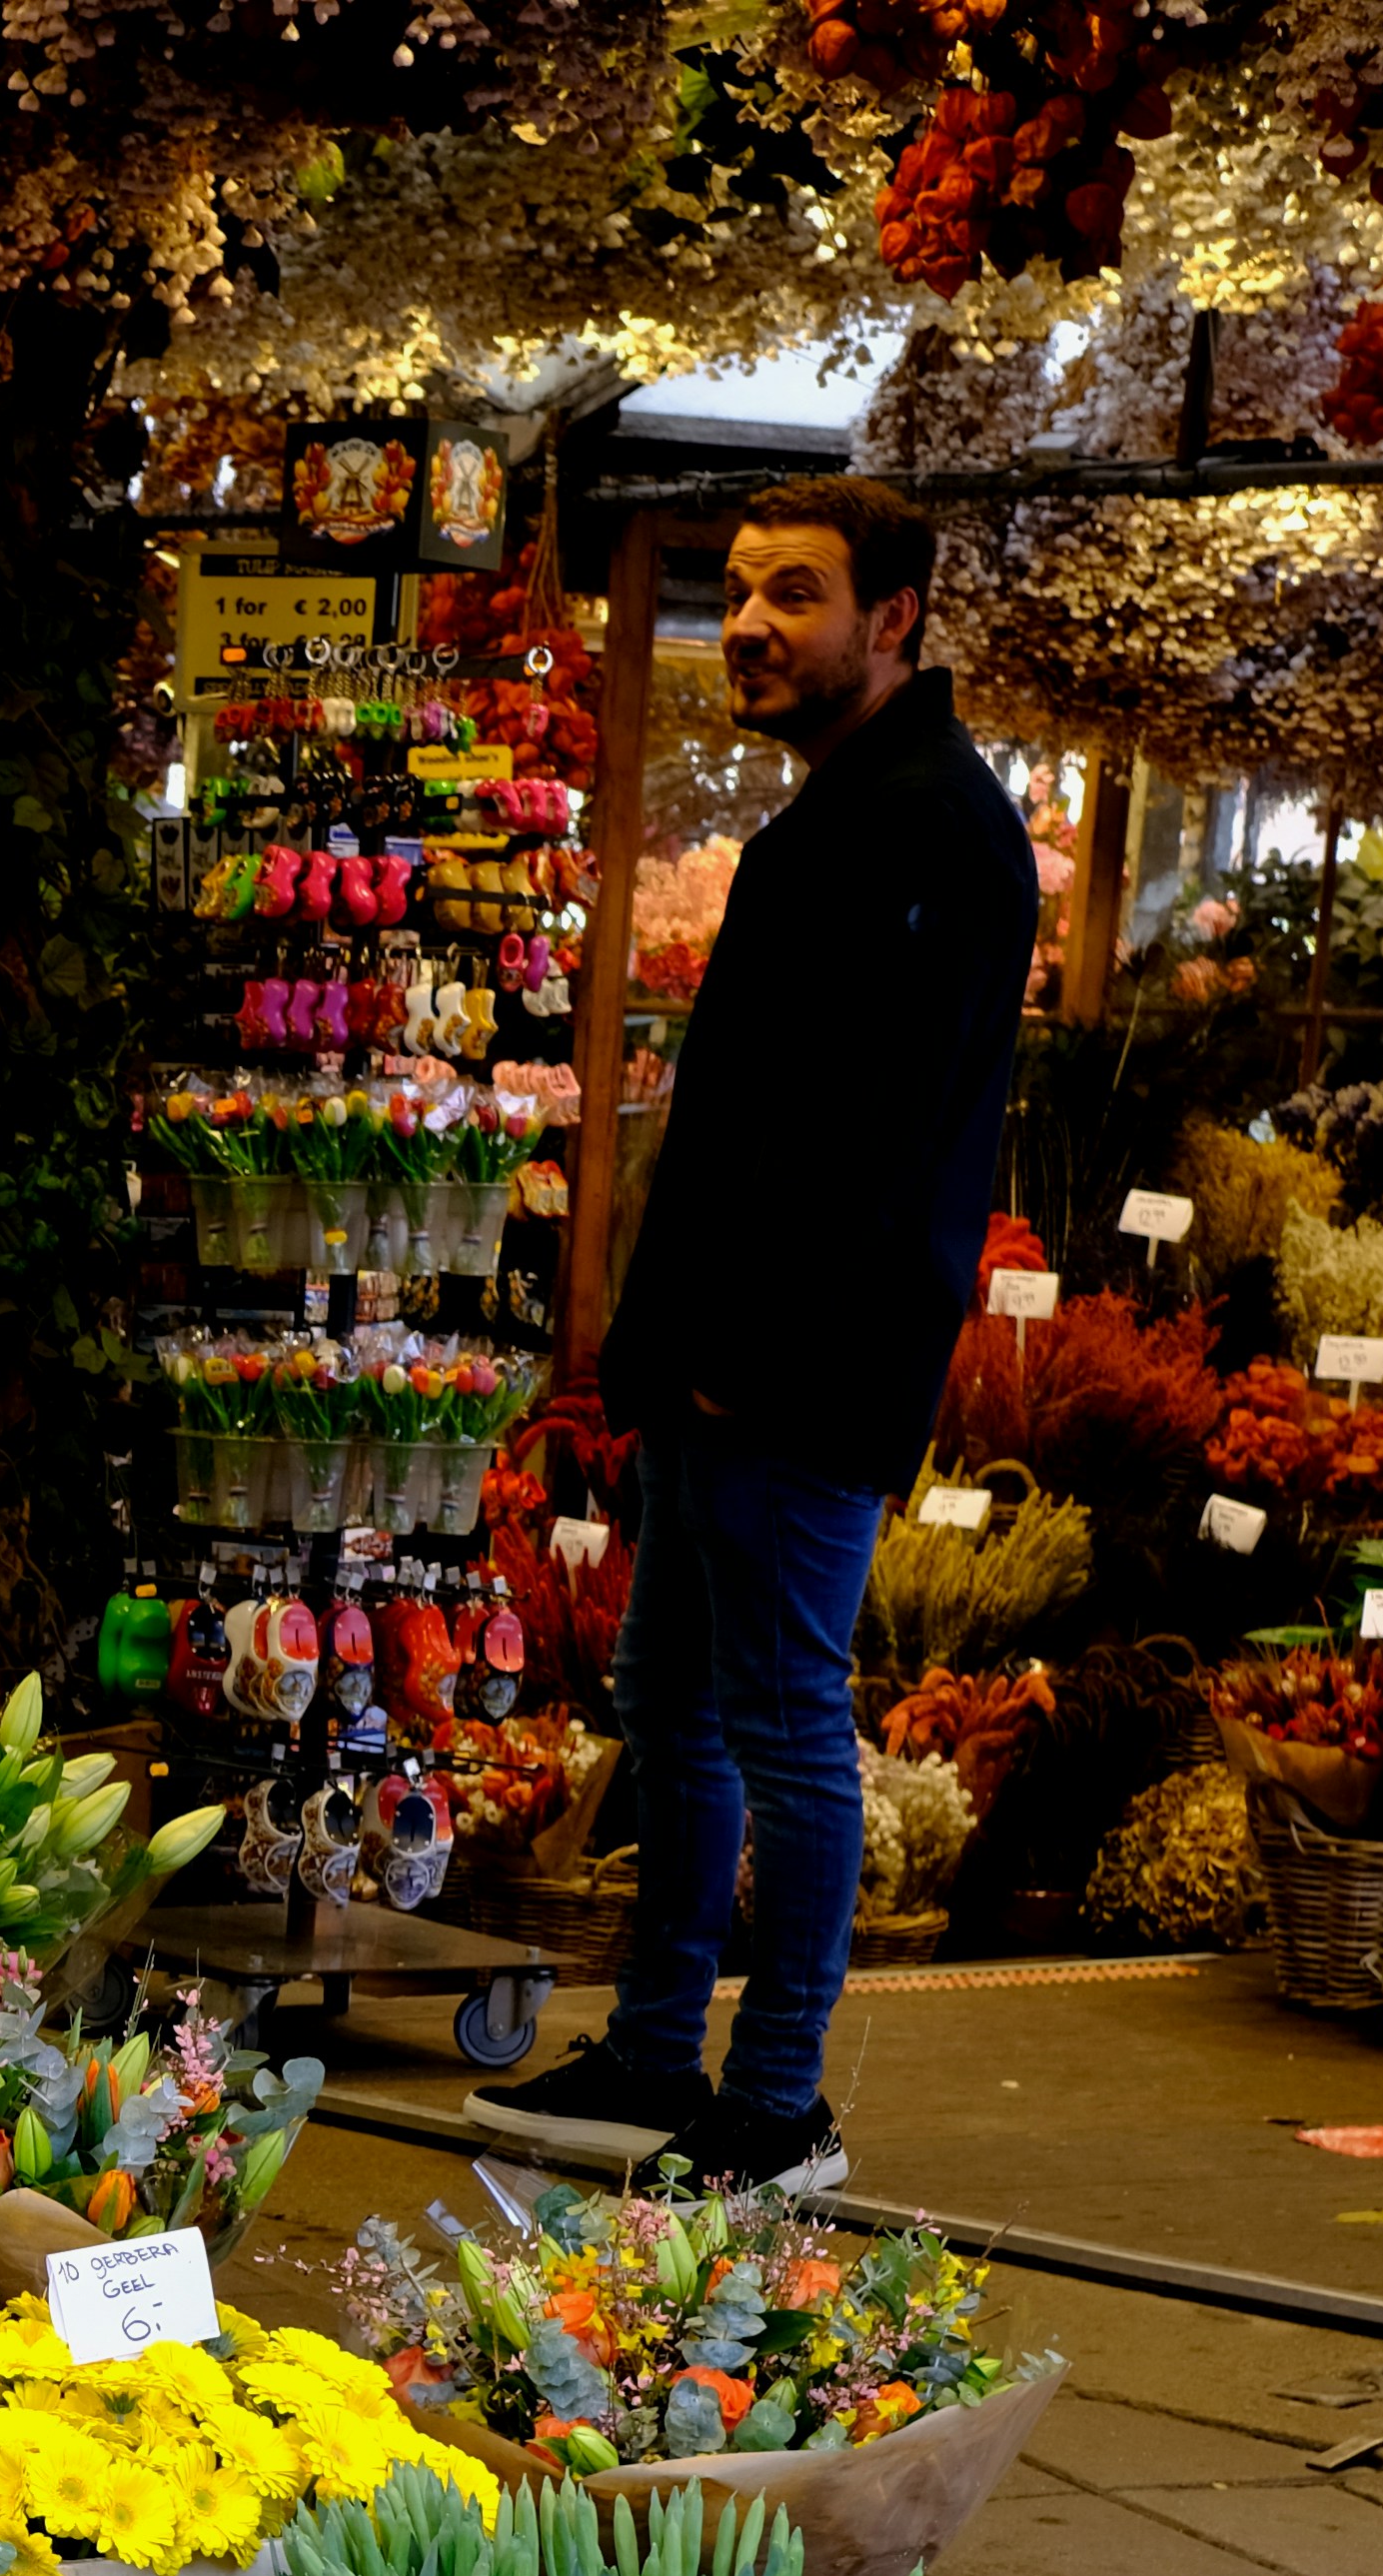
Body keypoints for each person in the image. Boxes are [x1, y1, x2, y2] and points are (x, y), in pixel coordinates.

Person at [468, 471, 1039, 2199]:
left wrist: (737, 1346)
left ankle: (776, 2100)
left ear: (896, 621)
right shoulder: (848, 813)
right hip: (734, 1362)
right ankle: (656, 2060)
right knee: (672, 1693)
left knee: (784, 1717)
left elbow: (866, 1141)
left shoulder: (924, 824)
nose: (754, 624)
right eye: (739, 590)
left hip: (797, 1369)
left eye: (795, 592)